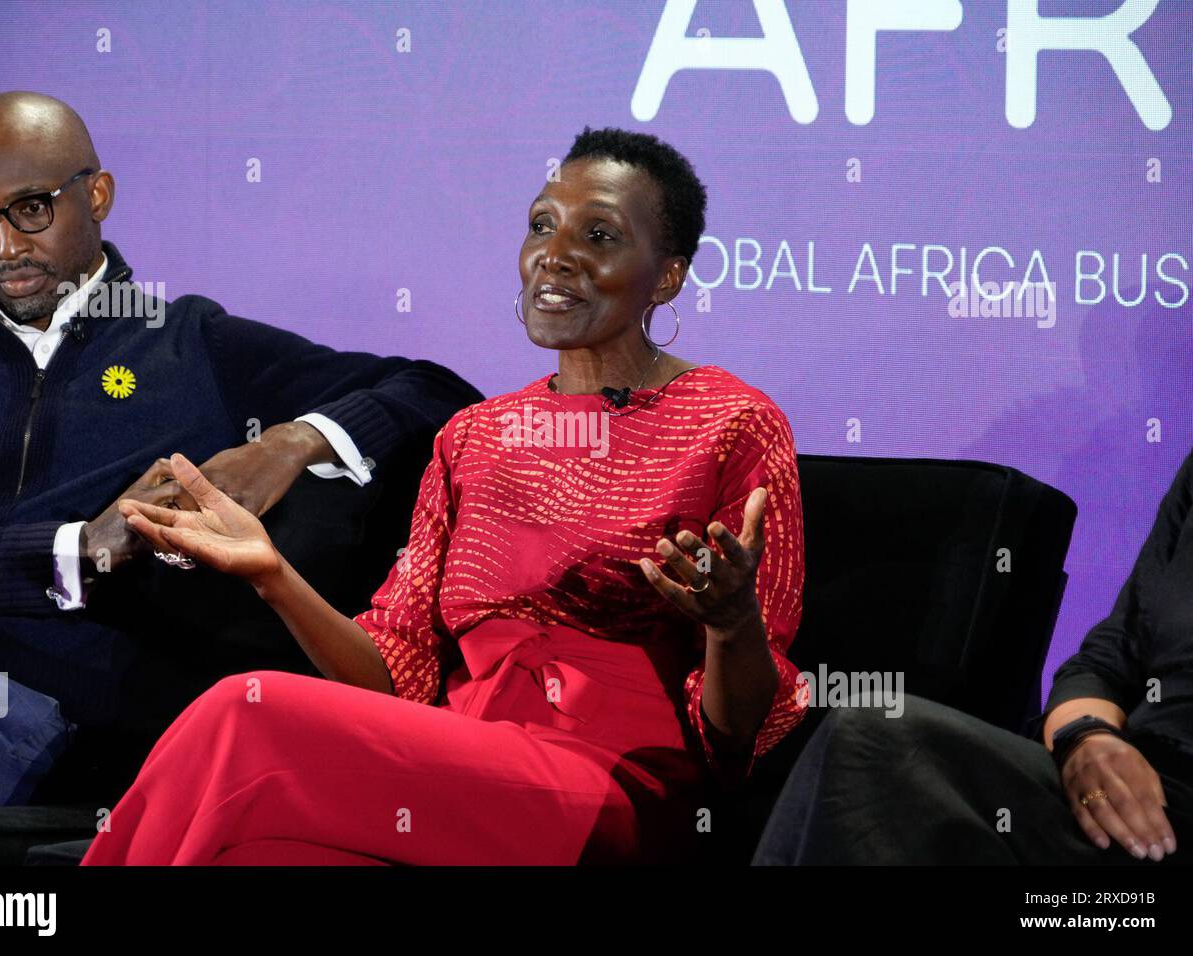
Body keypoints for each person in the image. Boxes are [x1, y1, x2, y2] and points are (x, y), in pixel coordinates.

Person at [78, 127, 807, 865]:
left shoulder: (730, 424)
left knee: (246, 710)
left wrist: (729, 621)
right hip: (457, 768)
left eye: (600, 235)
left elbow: (740, 730)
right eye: (541, 225)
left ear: (667, 277)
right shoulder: (473, 438)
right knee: (253, 853)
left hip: (613, 792)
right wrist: (271, 573)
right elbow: (394, 675)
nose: (555, 254)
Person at [0, 92, 481, 806]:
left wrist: (294, 439)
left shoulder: (190, 345)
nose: (5, 247)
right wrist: (77, 550)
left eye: (31, 209)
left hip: (60, 719)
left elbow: (435, 391)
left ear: (98, 194)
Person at [754, 434, 1193, 865]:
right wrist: (1085, 738)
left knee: (875, 737)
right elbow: (1108, 656)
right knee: (865, 747)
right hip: (1126, 781)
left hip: (1176, 819)